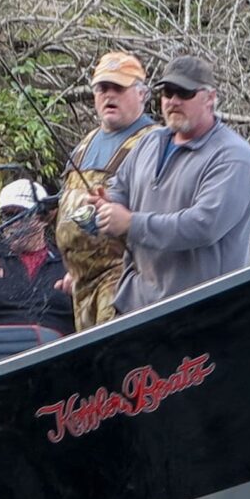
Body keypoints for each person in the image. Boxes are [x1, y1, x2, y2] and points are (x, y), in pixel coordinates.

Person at [92, 55, 250, 315]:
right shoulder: (149, 143)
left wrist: (131, 224)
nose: (173, 101)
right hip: (138, 309)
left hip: (205, 314)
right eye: (168, 92)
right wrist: (106, 204)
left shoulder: (233, 156)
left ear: (210, 98)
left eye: (185, 92)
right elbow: (120, 189)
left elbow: (203, 225)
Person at [53, 50, 159, 332]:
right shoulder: (85, 143)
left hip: (122, 277)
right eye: (102, 88)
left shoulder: (153, 142)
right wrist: (73, 267)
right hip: (82, 284)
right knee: (93, 357)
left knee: (113, 349)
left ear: (142, 94)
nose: (109, 95)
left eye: (118, 88)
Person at [0, 179, 74, 335]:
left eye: (21, 215)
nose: (13, 223)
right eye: (7, 215)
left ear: (43, 218)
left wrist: (80, 287)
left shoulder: (68, 261)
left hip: (60, 348)